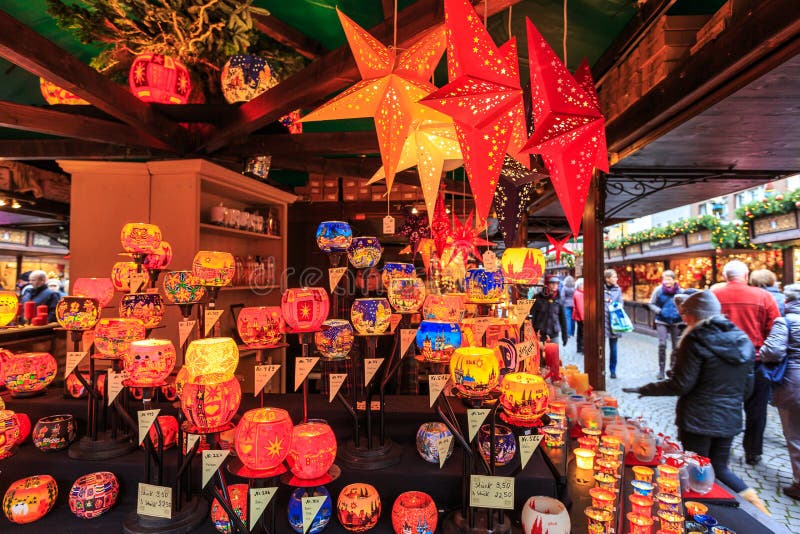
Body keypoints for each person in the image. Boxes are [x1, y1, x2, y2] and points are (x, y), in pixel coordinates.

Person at [622, 291, 770, 515]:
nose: (683, 319)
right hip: (729, 418)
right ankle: (757, 508)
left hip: (697, 418)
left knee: (695, 471)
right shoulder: (742, 339)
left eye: (686, 314)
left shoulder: (695, 339)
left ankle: (696, 516)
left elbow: (681, 384)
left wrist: (646, 389)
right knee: (719, 468)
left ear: (695, 315)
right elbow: (747, 388)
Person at [712, 260, 780, 466]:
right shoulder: (763, 296)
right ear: (746, 275)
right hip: (756, 360)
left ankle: (720, 448)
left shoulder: (714, 295)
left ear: (725, 276)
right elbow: (775, 330)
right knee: (757, 408)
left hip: (722, 361)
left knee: (722, 404)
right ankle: (753, 451)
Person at [759, 284, 800, 500]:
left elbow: (772, 352)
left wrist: (763, 350)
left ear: (787, 301)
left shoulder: (786, 322)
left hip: (794, 382)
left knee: (794, 433)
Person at [648, 270, 684, 379]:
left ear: (674, 280)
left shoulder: (681, 291)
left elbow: (685, 304)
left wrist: (680, 313)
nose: (666, 282)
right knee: (662, 345)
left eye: (669, 279)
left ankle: (672, 369)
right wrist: (660, 311)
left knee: (676, 347)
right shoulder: (658, 290)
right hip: (661, 320)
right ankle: (661, 370)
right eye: (665, 279)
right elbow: (651, 304)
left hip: (676, 321)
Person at [531, 274, 567, 345]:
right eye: (552, 283)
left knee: (553, 351)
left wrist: (564, 336)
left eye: (556, 283)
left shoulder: (559, 299)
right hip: (539, 334)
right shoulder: (537, 298)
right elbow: (532, 316)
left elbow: (563, 319)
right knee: (540, 352)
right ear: (547, 284)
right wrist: (531, 334)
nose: (555, 285)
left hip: (554, 334)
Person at [604, 269, 623, 379]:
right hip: (603, 321)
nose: (616, 279)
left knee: (614, 347)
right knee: (600, 347)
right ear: (607, 279)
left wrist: (615, 307)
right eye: (614, 277)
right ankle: (600, 369)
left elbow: (620, 304)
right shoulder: (601, 289)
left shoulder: (618, 290)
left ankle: (613, 370)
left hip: (614, 321)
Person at [573, 278, 585, 353]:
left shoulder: (578, 293)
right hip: (581, 317)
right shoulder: (579, 294)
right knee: (583, 333)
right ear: (580, 285)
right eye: (583, 284)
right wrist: (583, 318)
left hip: (579, 317)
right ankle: (583, 348)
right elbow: (580, 308)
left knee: (580, 332)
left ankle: (579, 348)